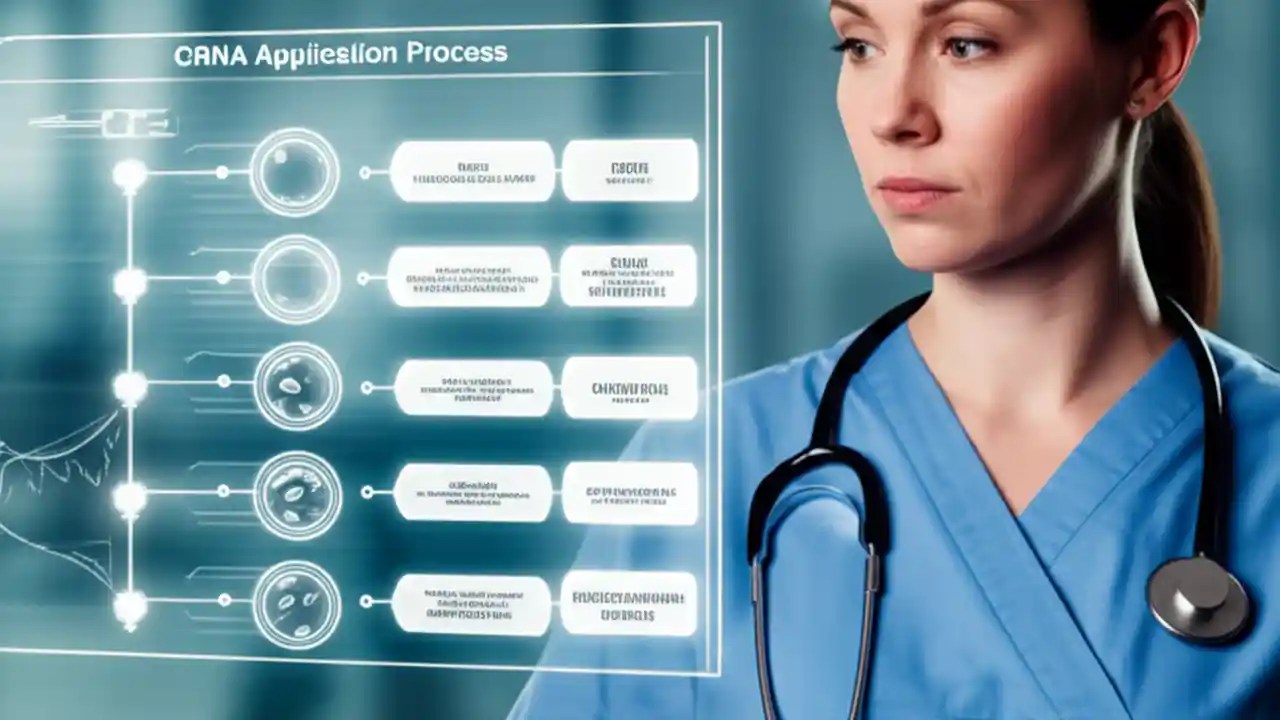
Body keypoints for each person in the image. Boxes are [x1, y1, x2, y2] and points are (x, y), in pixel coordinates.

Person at [508, 0, 1280, 716]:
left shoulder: (1266, 477)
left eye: (966, 44)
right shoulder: (703, 469)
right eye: (860, 44)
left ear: (1154, 58)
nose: (892, 115)